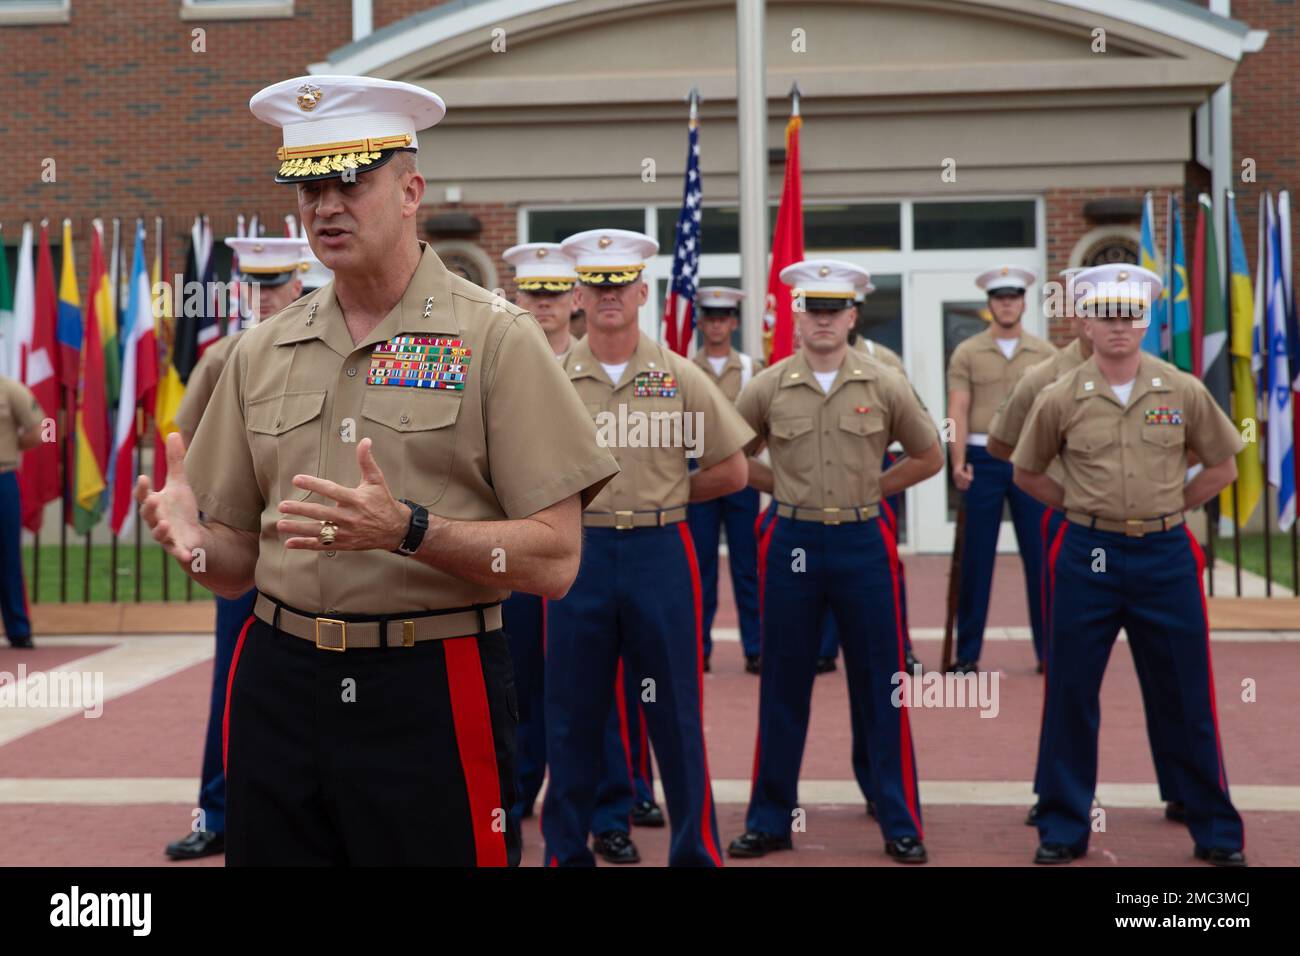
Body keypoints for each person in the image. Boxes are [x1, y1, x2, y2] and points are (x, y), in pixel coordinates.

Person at [136, 75, 618, 866]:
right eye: (309, 187)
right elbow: (231, 569)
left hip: (429, 682)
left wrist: (407, 531)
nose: (326, 205)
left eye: (350, 181)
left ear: (409, 190)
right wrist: (188, 539)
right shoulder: (261, 351)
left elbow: (557, 560)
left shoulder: (497, 340)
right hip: (279, 684)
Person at [1012, 264, 1245, 867]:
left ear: (1146, 320)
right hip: (1087, 554)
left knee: (1187, 696)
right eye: (1107, 316)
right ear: (1086, 323)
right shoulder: (1058, 397)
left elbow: (1223, 467)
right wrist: (1085, 510)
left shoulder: (1183, 388)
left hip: (1165, 556)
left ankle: (1215, 830)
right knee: (1071, 694)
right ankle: (1064, 829)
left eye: (1131, 315)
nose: (1119, 327)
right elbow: (1026, 472)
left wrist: (1169, 508)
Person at [543, 228, 753, 867]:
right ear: (579, 294)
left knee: (676, 716)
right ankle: (563, 854)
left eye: (620, 286)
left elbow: (734, 469)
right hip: (578, 557)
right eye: (597, 285)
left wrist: (669, 492)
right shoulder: (549, 380)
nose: (609, 297)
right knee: (573, 715)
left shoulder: (679, 376)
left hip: (662, 555)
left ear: (642, 291)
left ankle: (694, 854)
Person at [727, 259, 943, 863]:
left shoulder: (883, 382)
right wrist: (784, 486)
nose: (822, 320)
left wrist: (876, 487)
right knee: (784, 685)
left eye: (833, 310)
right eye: (812, 309)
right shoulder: (768, 385)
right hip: (792, 540)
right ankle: (770, 820)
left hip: (862, 539)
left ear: (852, 316)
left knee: (882, 685)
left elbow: (929, 455)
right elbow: (731, 458)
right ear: (797, 316)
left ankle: (899, 821)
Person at [988, 268, 1185, 828]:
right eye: (1101, 306)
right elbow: (1003, 444)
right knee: (1070, 671)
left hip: (1148, 532)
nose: (1114, 318)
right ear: (1080, 313)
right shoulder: (1045, 376)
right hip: (1068, 524)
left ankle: (1183, 787)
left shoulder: (1158, 375)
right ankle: (1059, 792)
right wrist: (1066, 489)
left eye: (1126, 309)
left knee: (1170, 673)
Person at [499, 242, 663, 856]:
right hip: (513, 557)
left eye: (552, 295)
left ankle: (610, 812)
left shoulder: (597, 366)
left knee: (600, 691)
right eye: (531, 295)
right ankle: (513, 807)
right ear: (518, 297)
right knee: (517, 687)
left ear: (575, 299)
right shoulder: (499, 365)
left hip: (586, 553)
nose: (542, 307)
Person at [163, 236, 308, 862]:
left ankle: (304, 807)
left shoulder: (326, 348)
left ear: (299, 283)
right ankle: (217, 811)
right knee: (234, 681)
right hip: (244, 545)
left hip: (307, 546)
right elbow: (183, 437)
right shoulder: (227, 356)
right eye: (258, 285)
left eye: (277, 283)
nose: (267, 295)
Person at [946, 266, 1056, 673]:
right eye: (999, 298)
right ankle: (967, 653)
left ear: (1024, 302)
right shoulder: (968, 352)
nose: (1006, 304)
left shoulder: (1045, 353)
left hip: (1030, 459)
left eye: (1013, 297)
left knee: (1042, 557)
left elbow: (1055, 414)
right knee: (974, 561)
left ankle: (1049, 653)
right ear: (989, 304)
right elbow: (956, 408)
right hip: (981, 460)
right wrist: (956, 461)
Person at [687, 286, 764, 674]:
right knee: (699, 567)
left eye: (723, 318)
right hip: (698, 474)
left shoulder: (752, 368)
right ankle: (698, 649)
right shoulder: (682, 366)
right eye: (710, 318)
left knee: (746, 565)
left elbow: (764, 421)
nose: (716, 325)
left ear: (733, 323)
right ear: (700, 322)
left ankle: (756, 647)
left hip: (741, 476)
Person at [0, 375, 42, 649]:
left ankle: (18, 629)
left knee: (7, 556)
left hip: (2, 476)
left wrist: (13, 448)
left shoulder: (9, 389)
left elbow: (39, 428)